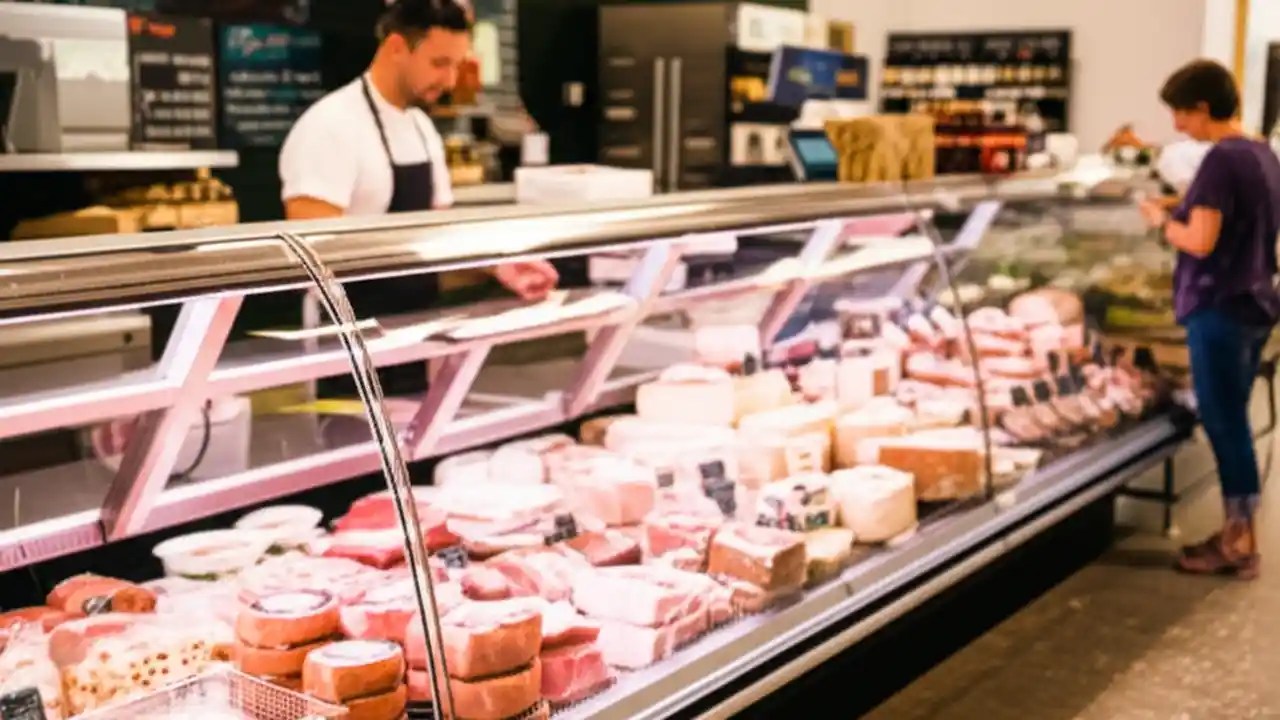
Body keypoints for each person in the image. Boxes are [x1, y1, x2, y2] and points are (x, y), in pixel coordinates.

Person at [278, 0, 557, 396]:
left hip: (415, 333)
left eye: (457, 64)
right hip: (350, 346)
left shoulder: (422, 128)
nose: (449, 79)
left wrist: (498, 265)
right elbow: (311, 254)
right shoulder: (330, 126)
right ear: (396, 47)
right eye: (439, 62)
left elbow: (436, 239)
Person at [1139, 59, 1280, 579]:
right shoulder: (1261, 152)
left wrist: (1159, 222)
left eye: (1180, 113)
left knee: (1225, 426)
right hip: (1256, 304)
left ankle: (1239, 544)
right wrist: (1184, 202)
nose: (1177, 125)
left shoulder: (1220, 159)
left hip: (1218, 307)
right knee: (1234, 421)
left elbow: (1201, 239)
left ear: (1201, 108)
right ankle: (1239, 533)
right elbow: (1237, 212)